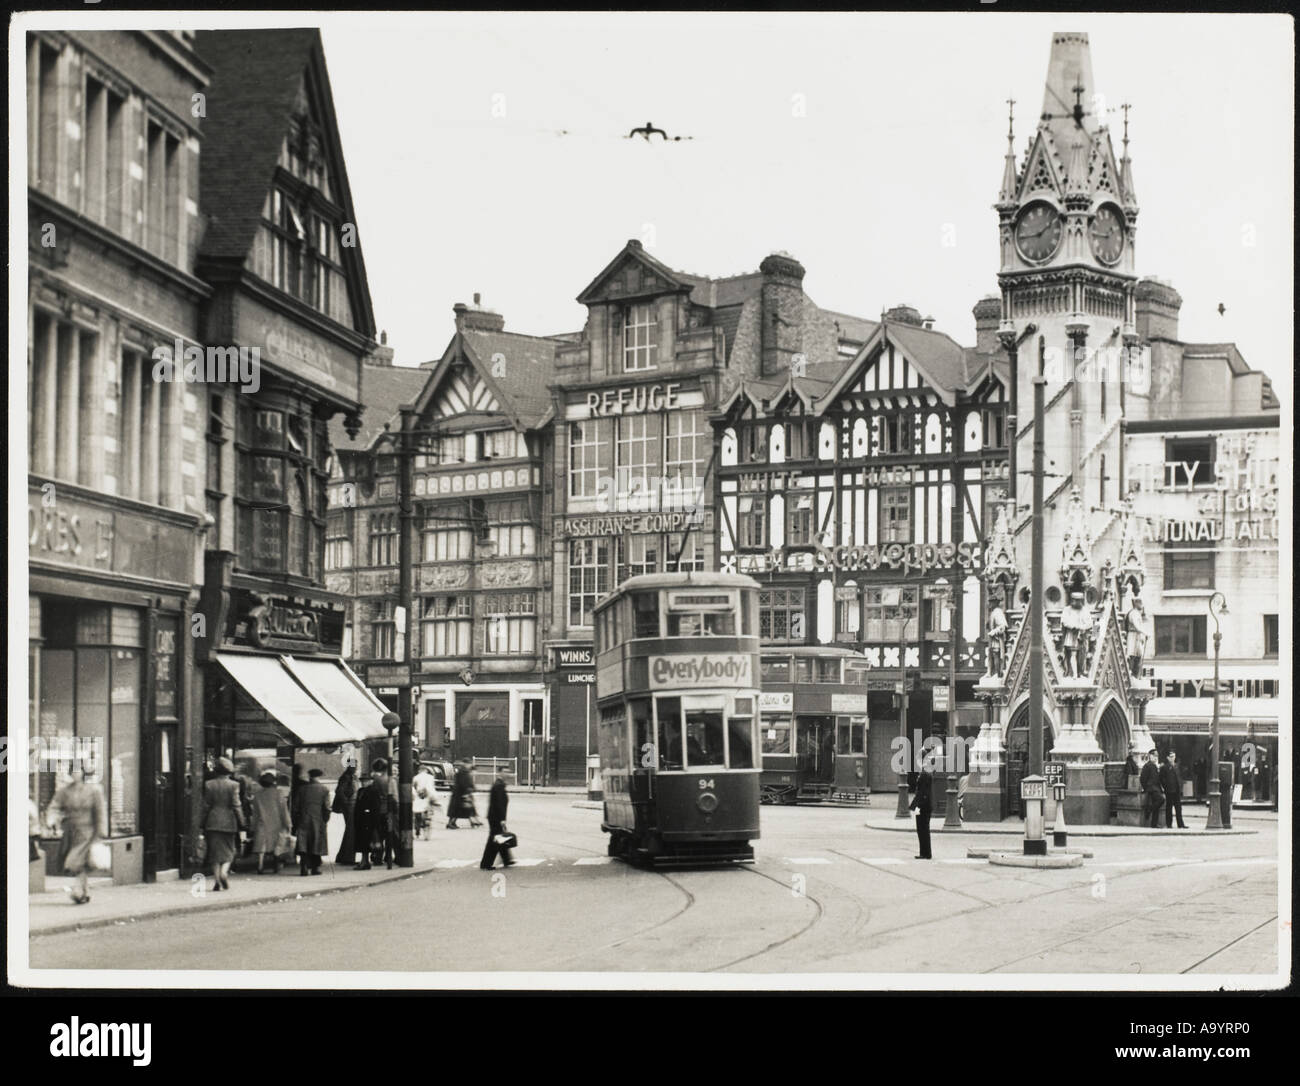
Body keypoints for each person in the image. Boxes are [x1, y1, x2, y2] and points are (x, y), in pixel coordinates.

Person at [45, 760, 108, 905]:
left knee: (75, 862)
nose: (75, 774)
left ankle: (78, 891)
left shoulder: (94, 790)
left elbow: (100, 812)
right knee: (81, 864)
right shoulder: (64, 791)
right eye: (72, 771)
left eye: (78, 771)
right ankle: (83, 893)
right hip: (70, 831)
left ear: (84, 772)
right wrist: (51, 819)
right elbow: (54, 806)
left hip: (88, 832)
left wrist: (101, 832)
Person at [201, 756, 246, 891]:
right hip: (228, 822)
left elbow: (206, 806)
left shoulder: (209, 784)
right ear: (229, 771)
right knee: (229, 850)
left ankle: (216, 880)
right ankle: (224, 873)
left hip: (212, 821)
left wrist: (202, 822)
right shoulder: (234, 785)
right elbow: (236, 805)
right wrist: (242, 822)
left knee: (214, 852)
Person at [355, 759, 395, 870]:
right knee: (384, 835)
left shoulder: (376, 781)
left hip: (376, 812)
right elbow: (394, 797)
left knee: (376, 835)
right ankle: (385, 856)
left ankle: (376, 857)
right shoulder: (389, 780)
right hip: (386, 810)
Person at [250, 770, 291, 874]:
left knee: (262, 845)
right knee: (277, 844)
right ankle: (276, 864)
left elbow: (255, 812)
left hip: (262, 822)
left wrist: (252, 826)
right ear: (273, 782)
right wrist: (288, 823)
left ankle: (260, 865)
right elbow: (283, 809)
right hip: (276, 822)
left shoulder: (257, 795)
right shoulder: (278, 793)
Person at [292, 768, 331, 875]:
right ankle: (315, 868)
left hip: (303, 819)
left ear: (310, 777)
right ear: (319, 777)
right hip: (318, 820)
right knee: (316, 842)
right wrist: (325, 819)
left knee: (303, 843)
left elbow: (295, 807)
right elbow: (327, 807)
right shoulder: (324, 789)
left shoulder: (302, 789)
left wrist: (296, 819)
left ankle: (303, 866)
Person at [480, 770, 516, 870]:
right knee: (494, 840)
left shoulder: (499, 784)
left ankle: (506, 859)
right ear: (500, 774)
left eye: (508, 772)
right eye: (505, 772)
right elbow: (499, 804)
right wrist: (502, 819)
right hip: (496, 817)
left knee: (500, 837)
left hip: (494, 816)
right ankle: (485, 864)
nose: (508, 774)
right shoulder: (499, 785)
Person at [333, 762, 359, 865]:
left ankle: (343, 855)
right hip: (350, 806)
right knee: (351, 831)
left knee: (350, 831)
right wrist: (347, 803)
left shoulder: (352, 776)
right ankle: (348, 857)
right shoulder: (346, 777)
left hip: (351, 805)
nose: (355, 768)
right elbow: (339, 791)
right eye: (353, 766)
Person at [908, 759, 934, 859]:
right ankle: (924, 852)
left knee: (922, 829)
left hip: (923, 806)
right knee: (923, 830)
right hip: (924, 805)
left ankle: (925, 853)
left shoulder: (924, 775)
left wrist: (917, 806)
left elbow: (922, 793)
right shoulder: (926, 774)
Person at [447, 761, 482, 830]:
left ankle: (452, 823)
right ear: (466, 764)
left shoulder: (462, 771)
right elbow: (465, 783)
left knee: (460, 809)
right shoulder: (464, 772)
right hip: (461, 793)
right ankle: (451, 823)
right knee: (459, 809)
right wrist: (470, 788)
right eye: (468, 764)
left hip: (459, 793)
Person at [1160, 751, 1187, 829]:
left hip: (1177, 790)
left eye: (1174, 756)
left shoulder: (1177, 766)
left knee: (1178, 808)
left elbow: (1179, 777)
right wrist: (1166, 787)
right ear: (1168, 758)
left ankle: (1180, 824)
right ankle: (1169, 824)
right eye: (1171, 756)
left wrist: (1180, 786)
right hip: (1169, 790)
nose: (1173, 758)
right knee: (1169, 807)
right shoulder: (1165, 767)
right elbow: (1162, 779)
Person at [1138, 749, 1164, 829]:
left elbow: (1157, 779)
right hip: (1151, 789)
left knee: (1157, 805)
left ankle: (1154, 824)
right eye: (1154, 755)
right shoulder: (1147, 766)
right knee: (1161, 800)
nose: (1156, 758)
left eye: (1157, 756)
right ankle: (1149, 809)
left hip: (1156, 788)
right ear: (1150, 756)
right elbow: (1142, 778)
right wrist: (1146, 788)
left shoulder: (1154, 766)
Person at [413, 762, 438, 841]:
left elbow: (414, 788)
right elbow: (432, 788)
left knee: (417, 815)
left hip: (418, 797)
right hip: (428, 797)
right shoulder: (431, 777)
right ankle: (426, 832)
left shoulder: (415, 777)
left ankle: (417, 830)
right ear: (426, 770)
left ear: (419, 770)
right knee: (427, 815)